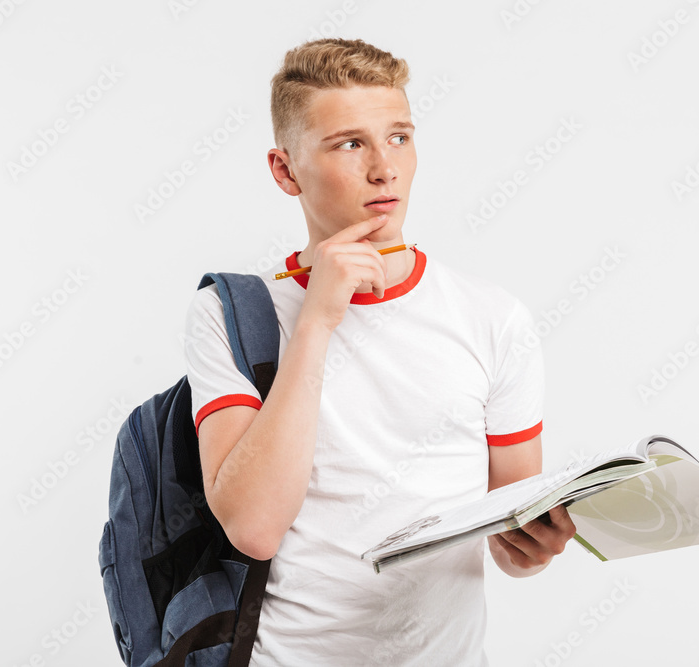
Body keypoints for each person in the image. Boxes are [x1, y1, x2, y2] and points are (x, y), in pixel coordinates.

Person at [183, 37, 576, 665]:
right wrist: (316, 322)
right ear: (285, 170)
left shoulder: (494, 318)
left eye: (398, 137)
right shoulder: (231, 314)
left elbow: (512, 536)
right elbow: (253, 529)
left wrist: (534, 548)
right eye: (349, 143)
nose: (384, 168)